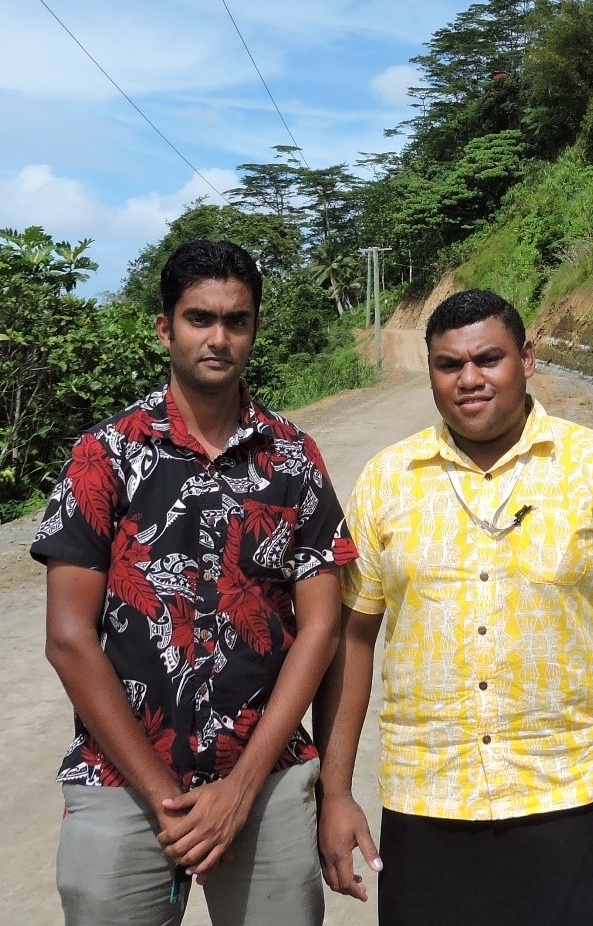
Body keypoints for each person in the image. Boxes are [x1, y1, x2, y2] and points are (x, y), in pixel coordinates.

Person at [314, 288, 593, 926]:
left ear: (527, 359)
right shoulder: (388, 479)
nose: (470, 379)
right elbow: (354, 638)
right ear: (429, 371)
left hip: (571, 800)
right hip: (427, 804)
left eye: (489, 359)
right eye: (450, 365)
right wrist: (336, 793)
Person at [31, 238, 356, 926]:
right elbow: (68, 638)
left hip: (262, 779)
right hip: (121, 777)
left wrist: (238, 789)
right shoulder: (106, 454)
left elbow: (321, 625)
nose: (218, 336)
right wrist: (161, 796)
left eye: (235, 320)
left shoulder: (294, 457)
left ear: (254, 329)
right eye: (199, 317)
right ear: (165, 328)